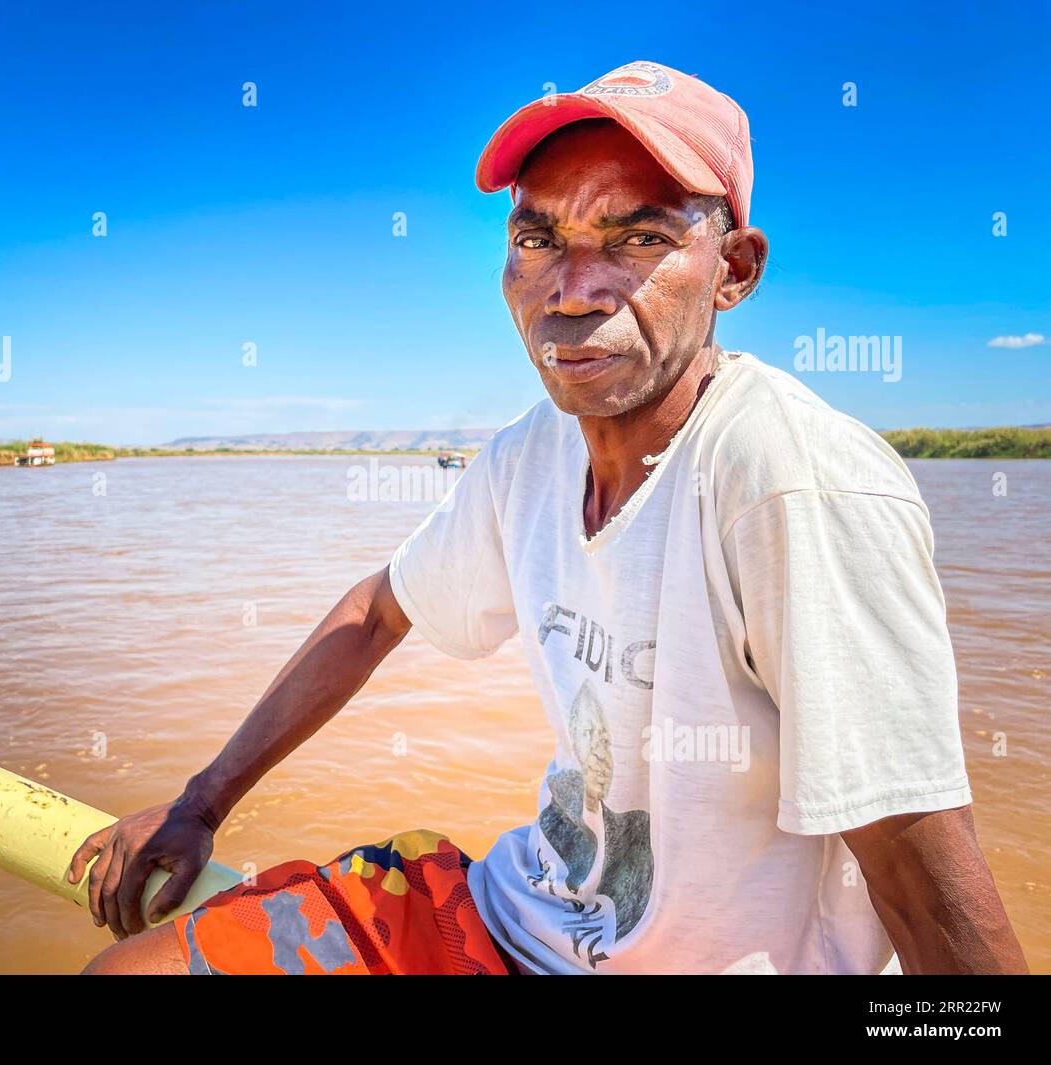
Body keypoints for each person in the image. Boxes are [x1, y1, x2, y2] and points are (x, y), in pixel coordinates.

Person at [70, 60, 1027, 975]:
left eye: (638, 239)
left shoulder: (792, 487)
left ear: (733, 270)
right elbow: (378, 612)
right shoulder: (529, 454)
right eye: (537, 240)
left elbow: (920, 872)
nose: (572, 291)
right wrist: (201, 802)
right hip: (508, 914)